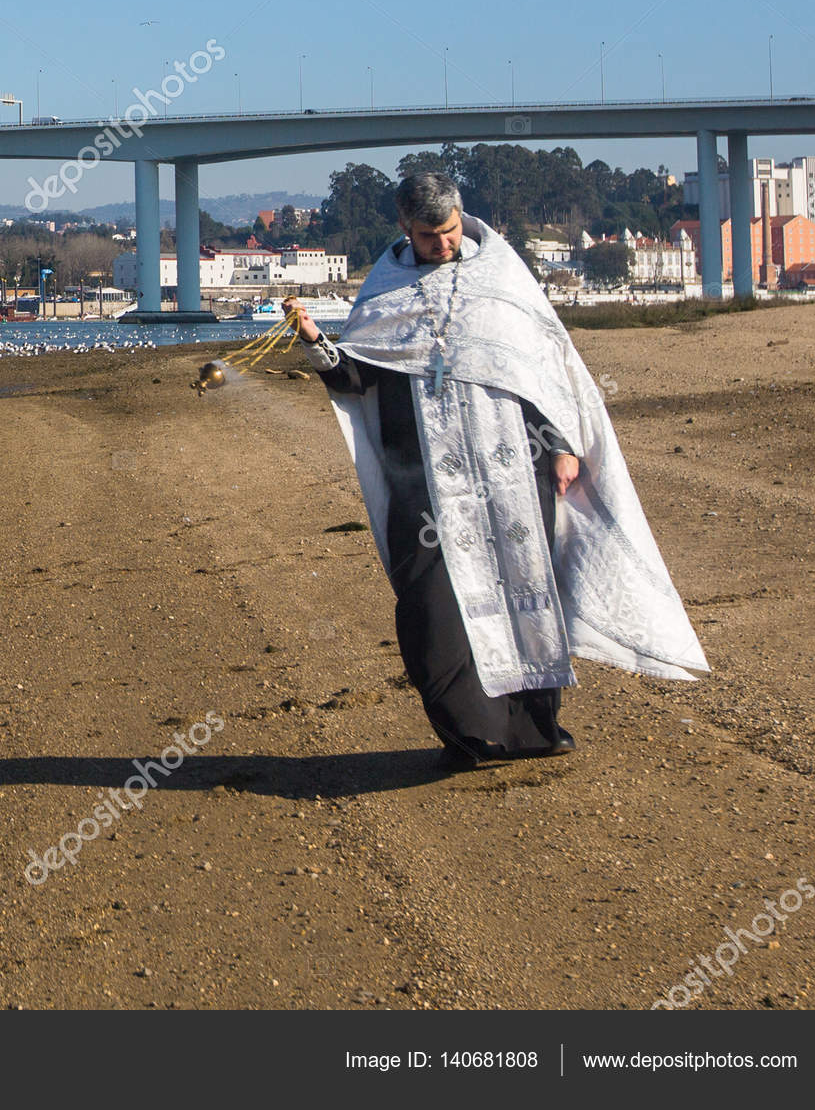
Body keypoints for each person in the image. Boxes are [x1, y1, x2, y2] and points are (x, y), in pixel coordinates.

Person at [285, 171, 707, 769]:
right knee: (429, 602)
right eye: (430, 235)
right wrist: (313, 341)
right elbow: (358, 378)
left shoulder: (502, 275)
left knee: (526, 584)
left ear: (463, 217)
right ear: (405, 228)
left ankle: (534, 729)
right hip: (423, 480)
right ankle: (466, 735)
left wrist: (561, 444)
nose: (443, 244)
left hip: (515, 463)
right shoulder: (382, 290)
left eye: (450, 231)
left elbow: (544, 367)